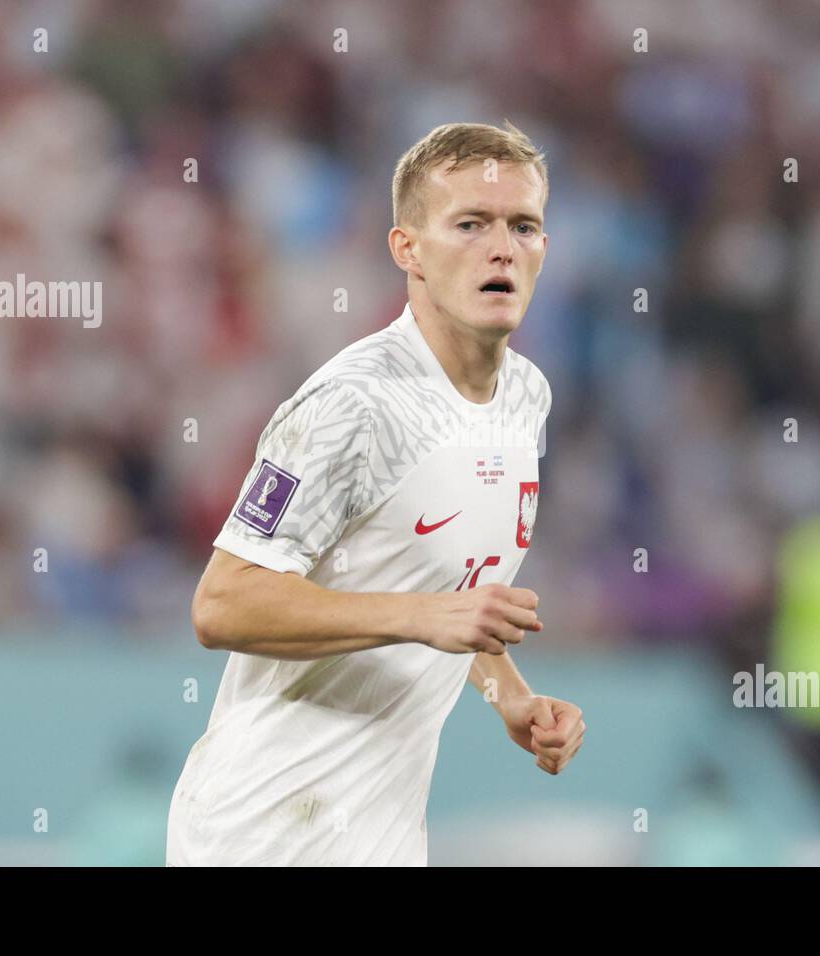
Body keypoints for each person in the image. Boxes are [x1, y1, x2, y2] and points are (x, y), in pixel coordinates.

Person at [166, 121, 585, 865]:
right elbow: (222, 603)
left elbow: (450, 591)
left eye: (524, 226)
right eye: (470, 224)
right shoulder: (353, 405)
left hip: (380, 838)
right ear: (408, 251)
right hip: (263, 833)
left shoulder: (527, 398)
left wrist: (509, 695)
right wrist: (425, 617)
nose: (502, 247)